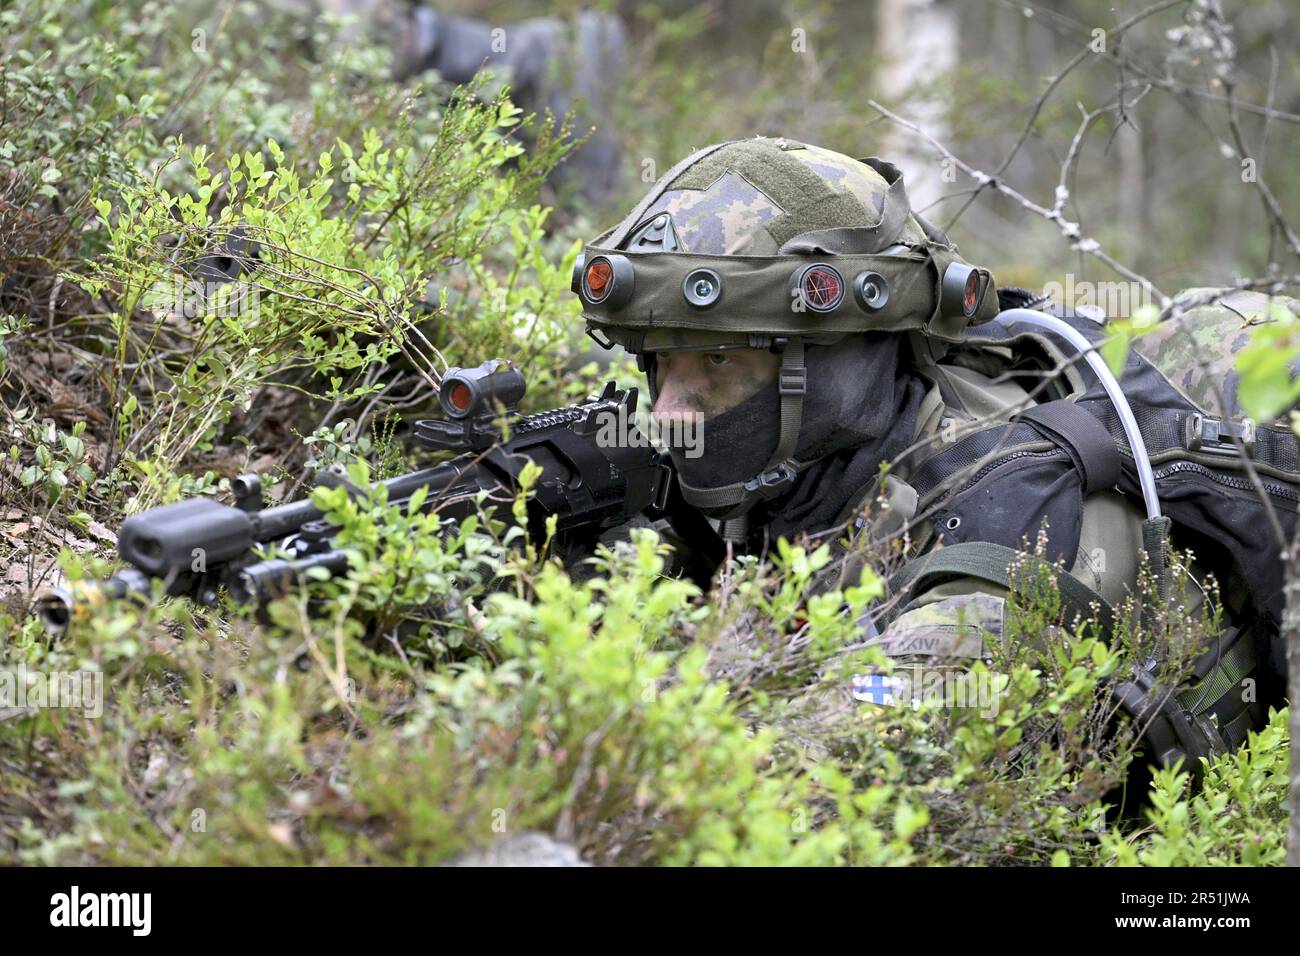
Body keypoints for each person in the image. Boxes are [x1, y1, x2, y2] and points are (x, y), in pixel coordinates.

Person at [569, 135, 1274, 775]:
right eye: (660, 362)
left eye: (716, 361)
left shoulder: (1003, 530)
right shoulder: (801, 474)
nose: (668, 415)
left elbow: (825, 779)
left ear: (834, 370)